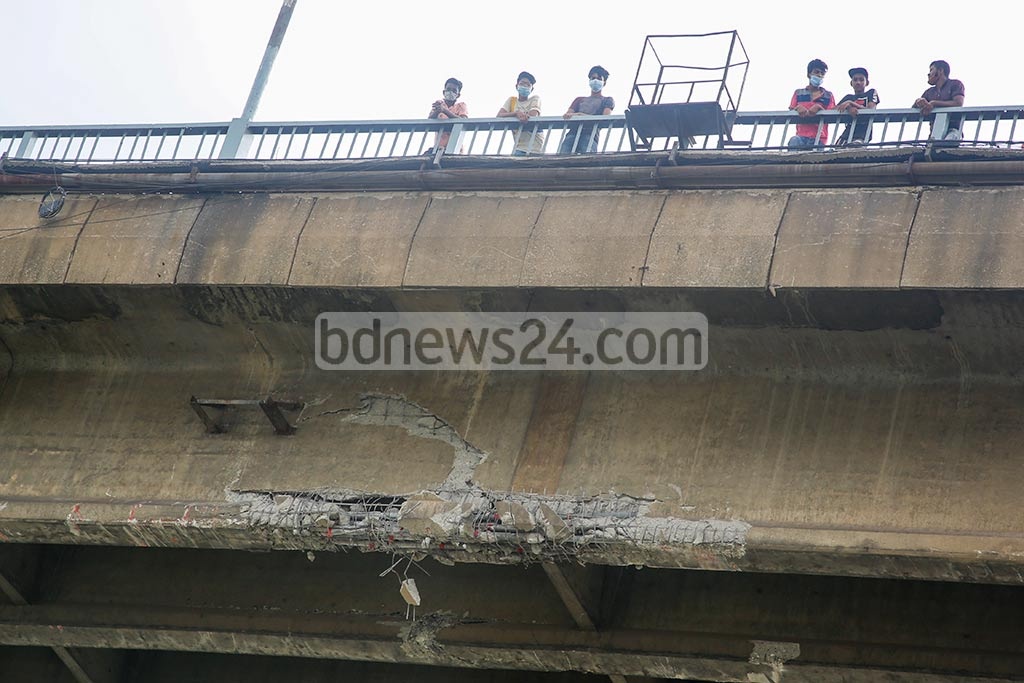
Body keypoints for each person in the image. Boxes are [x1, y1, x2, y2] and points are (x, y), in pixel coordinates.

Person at [559, 65, 614, 154]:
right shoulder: (579, 99)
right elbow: (568, 115)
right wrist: (578, 115)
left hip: (590, 136)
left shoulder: (607, 100)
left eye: (599, 78)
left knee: (587, 161)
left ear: (604, 82)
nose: (595, 80)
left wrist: (580, 115)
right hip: (572, 134)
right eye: (593, 78)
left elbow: (605, 118)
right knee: (561, 160)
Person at [787, 59, 835, 149]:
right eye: (816, 72)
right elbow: (791, 111)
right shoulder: (799, 93)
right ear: (809, 74)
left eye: (822, 73)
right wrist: (797, 108)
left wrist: (819, 108)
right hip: (801, 136)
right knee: (793, 142)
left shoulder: (828, 95)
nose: (819, 75)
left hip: (819, 138)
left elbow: (832, 114)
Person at [913, 60, 965, 141]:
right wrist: (919, 102)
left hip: (953, 130)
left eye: (931, 70)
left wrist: (934, 103)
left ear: (940, 71)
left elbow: (958, 103)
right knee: (932, 149)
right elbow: (913, 110)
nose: (928, 74)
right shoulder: (929, 92)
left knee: (947, 144)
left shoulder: (955, 84)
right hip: (934, 133)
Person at [498, 71, 544, 156]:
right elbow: (499, 115)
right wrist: (516, 113)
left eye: (528, 85)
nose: (524, 86)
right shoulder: (512, 101)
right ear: (517, 86)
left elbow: (533, 115)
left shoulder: (535, 99)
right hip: (519, 146)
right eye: (522, 83)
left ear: (532, 89)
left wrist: (522, 116)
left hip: (535, 147)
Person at [835, 67, 880, 146]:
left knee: (854, 149)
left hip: (862, 134)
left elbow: (870, 109)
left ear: (867, 82)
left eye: (861, 79)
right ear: (851, 83)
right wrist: (849, 108)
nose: (858, 82)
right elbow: (835, 109)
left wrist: (850, 103)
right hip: (847, 134)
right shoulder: (848, 97)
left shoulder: (871, 92)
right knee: (834, 151)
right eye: (855, 80)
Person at [428, 77, 469, 153]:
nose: (450, 92)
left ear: (458, 95)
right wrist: (437, 111)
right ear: (444, 92)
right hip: (438, 148)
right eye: (448, 89)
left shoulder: (461, 106)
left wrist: (445, 111)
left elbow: (463, 121)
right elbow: (429, 120)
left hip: (455, 148)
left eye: (454, 90)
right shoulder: (439, 104)